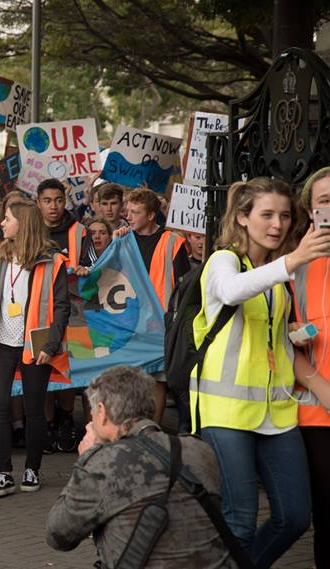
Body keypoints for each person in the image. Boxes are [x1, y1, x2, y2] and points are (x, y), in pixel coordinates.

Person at [192, 177, 330, 568]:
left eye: (285, 216)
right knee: (240, 522)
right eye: (266, 214)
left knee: (294, 517)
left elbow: (270, 339)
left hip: (276, 413)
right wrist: (293, 261)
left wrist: (293, 338)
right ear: (242, 218)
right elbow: (233, 291)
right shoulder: (224, 261)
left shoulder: (275, 273)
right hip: (226, 413)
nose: (278, 224)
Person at [47, 366, 237, 568]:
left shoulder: (103, 464)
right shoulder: (198, 449)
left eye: (92, 411)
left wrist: (87, 458)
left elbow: (58, 535)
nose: (91, 419)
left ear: (102, 412)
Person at [0, 200, 70, 496]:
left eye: (8, 219)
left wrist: (51, 345)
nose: (2, 224)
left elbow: (62, 308)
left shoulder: (53, 260)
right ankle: (3, 473)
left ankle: (32, 469)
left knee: (34, 409)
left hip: (34, 344)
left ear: (23, 225)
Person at [114, 187, 190, 426]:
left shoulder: (173, 241)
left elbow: (183, 283)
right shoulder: (123, 239)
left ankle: (152, 428)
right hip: (130, 322)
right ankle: (130, 426)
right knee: (130, 378)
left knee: (158, 378)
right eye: (129, 211)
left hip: (161, 322)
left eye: (136, 212)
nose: (129, 216)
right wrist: (115, 244)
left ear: (151, 215)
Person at [291, 167, 330, 569]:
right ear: (310, 210)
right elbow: (280, 334)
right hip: (319, 410)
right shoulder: (295, 263)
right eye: (325, 200)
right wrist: (318, 385)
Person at [36, 178, 86, 453]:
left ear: (64, 201)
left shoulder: (80, 231)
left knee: (70, 366)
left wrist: (85, 269)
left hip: (76, 313)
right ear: (38, 202)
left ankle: (66, 419)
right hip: (40, 313)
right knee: (44, 363)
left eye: (58, 200)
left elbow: (94, 265)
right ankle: (48, 422)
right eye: (47, 200)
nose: (53, 206)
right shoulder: (31, 230)